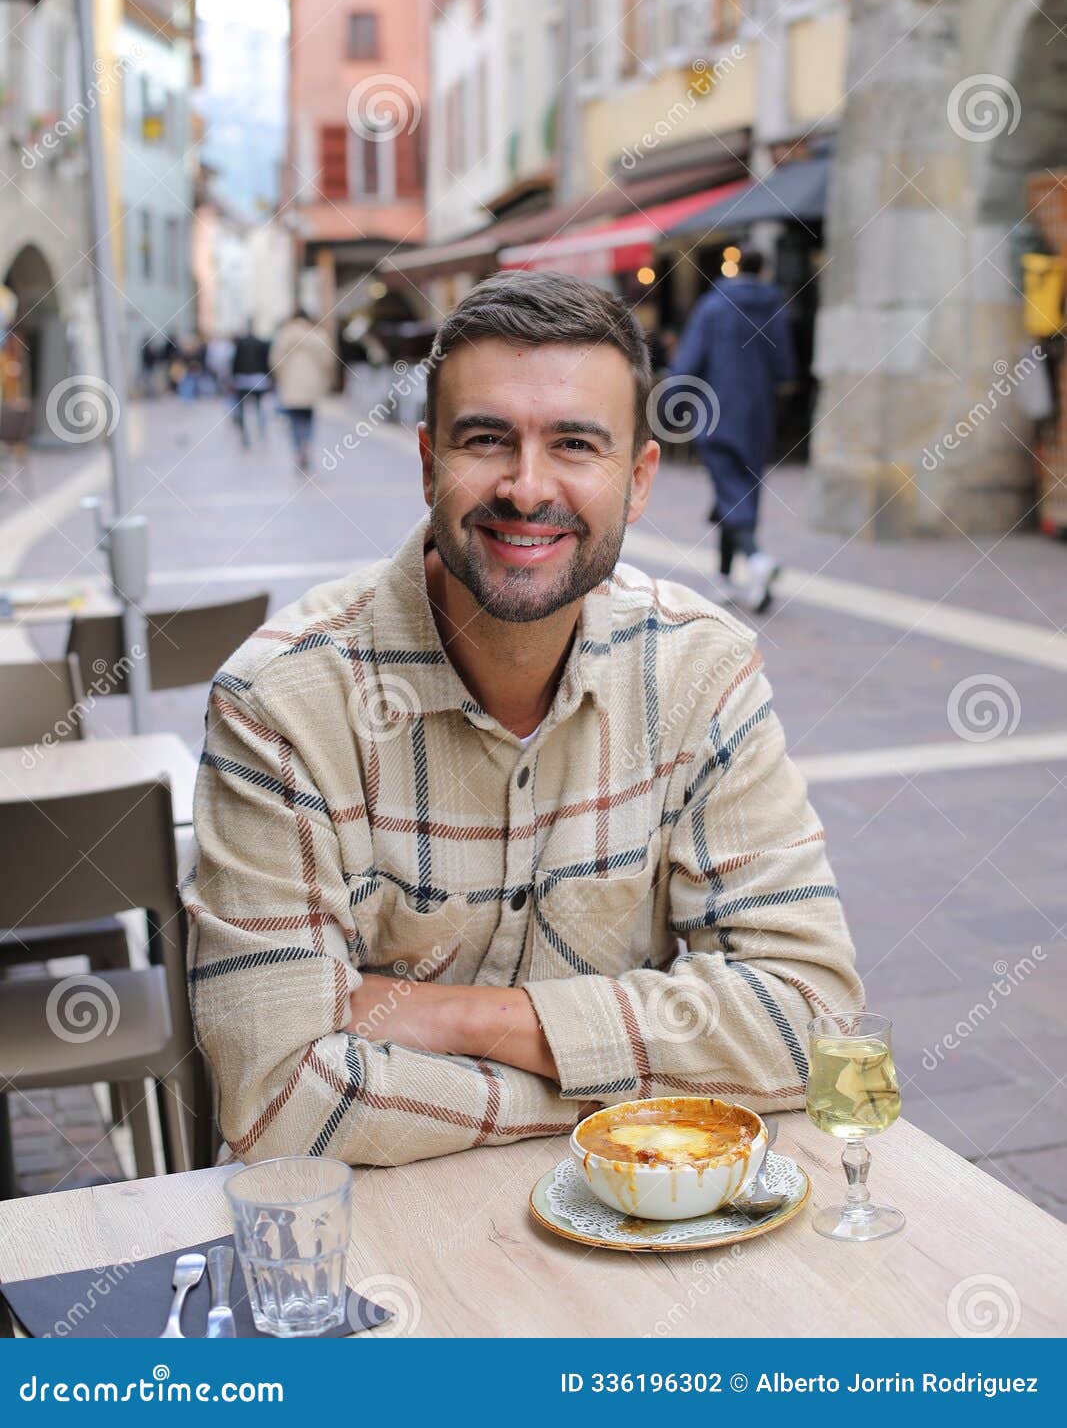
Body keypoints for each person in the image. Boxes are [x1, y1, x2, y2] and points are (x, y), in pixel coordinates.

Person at [184, 272, 860, 1168]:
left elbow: (813, 1016)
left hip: (641, 1224)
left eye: (574, 444)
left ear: (638, 480)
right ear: (427, 464)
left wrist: (464, 1019)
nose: (527, 487)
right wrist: (628, 1086)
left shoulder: (702, 670)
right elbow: (278, 1102)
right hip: (371, 1236)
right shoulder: (281, 705)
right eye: (486, 440)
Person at [670, 248, 795, 613]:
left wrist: (670, 401)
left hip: (716, 414)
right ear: (765, 271)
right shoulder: (773, 307)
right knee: (740, 491)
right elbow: (784, 367)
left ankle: (756, 560)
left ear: (736, 267)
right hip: (757, 416)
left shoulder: (713, 306)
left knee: (729, 489)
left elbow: (688, 362)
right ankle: (725, 577)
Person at [269, 308, 334, 470]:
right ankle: (307, 444)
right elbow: (328, 360)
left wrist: (281, 377)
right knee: (309, 417)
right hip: (313, 385)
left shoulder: (285, 334)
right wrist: (325, 379)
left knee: (294, 419)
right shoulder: (318, 335)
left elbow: (275, 359)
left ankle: (298, 448)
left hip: (291, 383)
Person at [229, 321, 272, 447]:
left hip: (242, 379)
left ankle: (245, 436)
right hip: (258, 378)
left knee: (242, 408)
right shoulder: (261, 343)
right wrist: (268, 377)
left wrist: (233, 377)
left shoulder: (240, 343)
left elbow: (235, 362)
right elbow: (266, 362)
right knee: (259, 407)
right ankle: (261, 433)